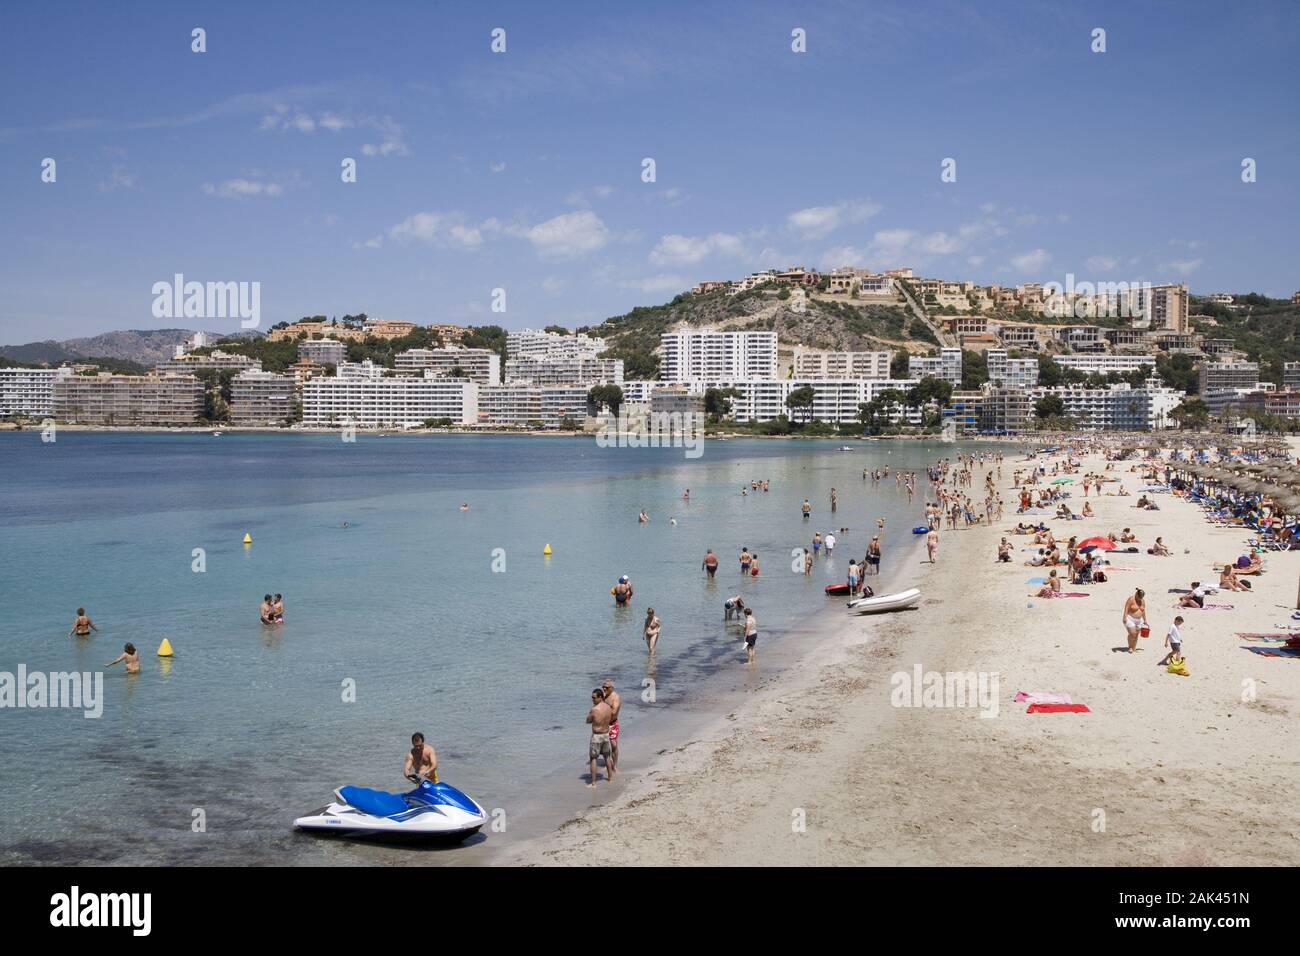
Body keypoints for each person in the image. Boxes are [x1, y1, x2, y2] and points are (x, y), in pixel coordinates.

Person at [585, 689, 615, 787]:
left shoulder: (594, 709)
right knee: (607, 757)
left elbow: (588, 721)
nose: (592, 699)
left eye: (594, 697)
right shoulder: (609, 707)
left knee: (593, 758)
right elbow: (610, 718)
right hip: (606, 735)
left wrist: (591, 712)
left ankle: (593, 783)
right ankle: (610, 778)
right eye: (592, 697)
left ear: (600, 697)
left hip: (597, 736)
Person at [601, 679, 621, 774]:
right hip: (603, 724)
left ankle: (615, 765)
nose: (604, 689)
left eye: (607, 687)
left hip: (613, 724)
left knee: (613, 744)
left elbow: (614, 711)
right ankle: (607, 763)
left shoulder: (615, 697)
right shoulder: (603, 696)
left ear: (612, 688)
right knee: (605, 745)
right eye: (603, 687)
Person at [1122, 588, 1148, 652]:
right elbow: (1126, 608)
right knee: (1132, 633)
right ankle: (1130, 647)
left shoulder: (1143, 601)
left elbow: (1143, 611)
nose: (1140, 599)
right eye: (1139, 597)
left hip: (1139, 620)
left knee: (1136, 635)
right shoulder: (1131, 599)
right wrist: (1124, 617)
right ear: (1136, 594)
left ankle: (1134, 647)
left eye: (1141, 598)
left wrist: (1145, 620)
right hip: (1130, 618)